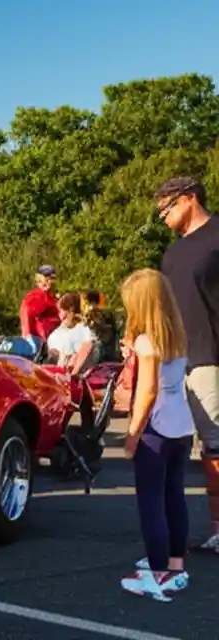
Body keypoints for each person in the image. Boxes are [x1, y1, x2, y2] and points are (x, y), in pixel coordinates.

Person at [118, 269, 194, 601]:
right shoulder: (177, 333)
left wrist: (133, 434)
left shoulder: (146, 341)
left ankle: (156, 574)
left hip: (156, 427)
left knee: (150, 501)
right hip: (182, 425)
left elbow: (147, 392)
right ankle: (175, 567)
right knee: (174, 497)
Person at [155, 176, 219, 553]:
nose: (162, 216)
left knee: (215, 444)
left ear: (190, 198)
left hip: (211, 355)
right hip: (178, 360)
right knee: (194, 448)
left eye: (167, 208)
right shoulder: (173, 254)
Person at [46, 292, 96, 373]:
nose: (61, 315)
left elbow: (86, 349)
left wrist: (73, 374)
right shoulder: (57, 332)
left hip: (75, 377)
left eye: (64, 311)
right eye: (59, 311)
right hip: (59, 375)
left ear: (71, 310)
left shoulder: (83, 328)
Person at [20, 265, 61, 353]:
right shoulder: (34, 297)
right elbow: (26, 317)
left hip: (54, 343)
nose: (45, 283)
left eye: (49, 279)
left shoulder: (54, 298)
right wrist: (30, 341)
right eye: (41, 280)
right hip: (40, 344)